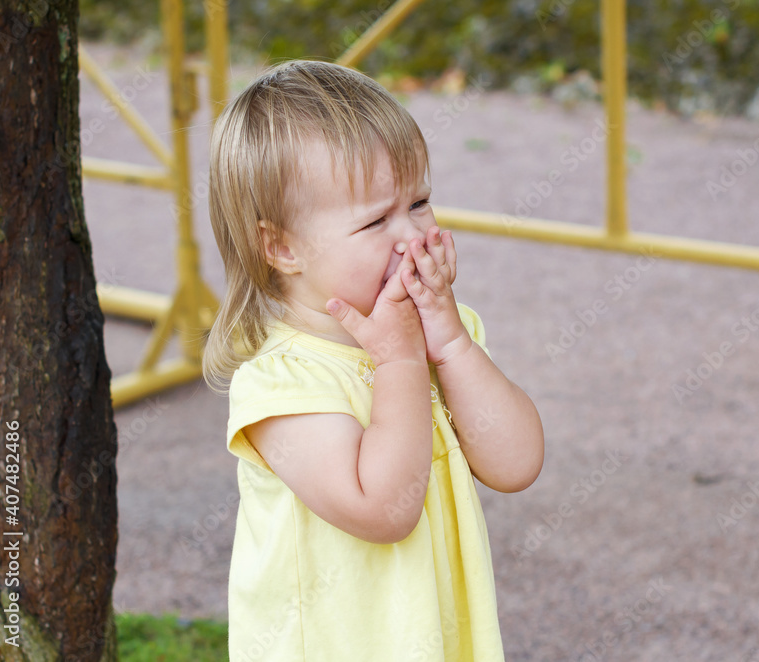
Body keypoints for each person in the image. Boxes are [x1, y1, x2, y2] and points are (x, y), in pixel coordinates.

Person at [202, 59, 545, 661]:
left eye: (419, 202)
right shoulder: (281, 383)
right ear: (281, 247)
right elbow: (384, 510)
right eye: (375, 220)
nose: (413, 236)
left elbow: (516, 463)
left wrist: (450, 344)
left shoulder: (437, 338)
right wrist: (401, 364)